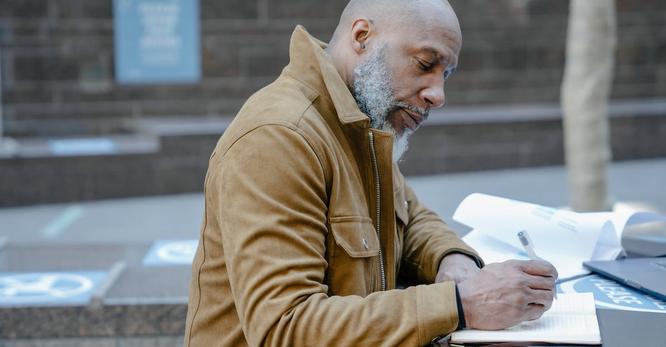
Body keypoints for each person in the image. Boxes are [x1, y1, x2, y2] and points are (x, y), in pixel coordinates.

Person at [184, 0, 558, 346]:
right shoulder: (279, 138)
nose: (438, 95)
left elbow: (410, 216)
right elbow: (285, 326)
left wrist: (452, 262)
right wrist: (460, 304)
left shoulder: (358, 117)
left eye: (447, 74)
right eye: (426, 64)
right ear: (362, 37)